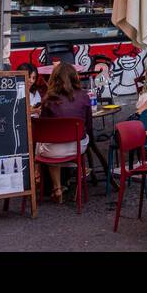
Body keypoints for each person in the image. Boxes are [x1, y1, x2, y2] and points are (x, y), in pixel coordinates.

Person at [36, 62, 93, 203]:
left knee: (43, 143)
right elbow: (89, 126)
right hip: (77, 147)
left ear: (54, 78)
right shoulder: (84, 96)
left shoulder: (48, 100)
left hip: (52, 151)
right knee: (69, 140)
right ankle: (79, 170)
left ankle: (57, 188)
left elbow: (44, 129)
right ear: (75, 77)